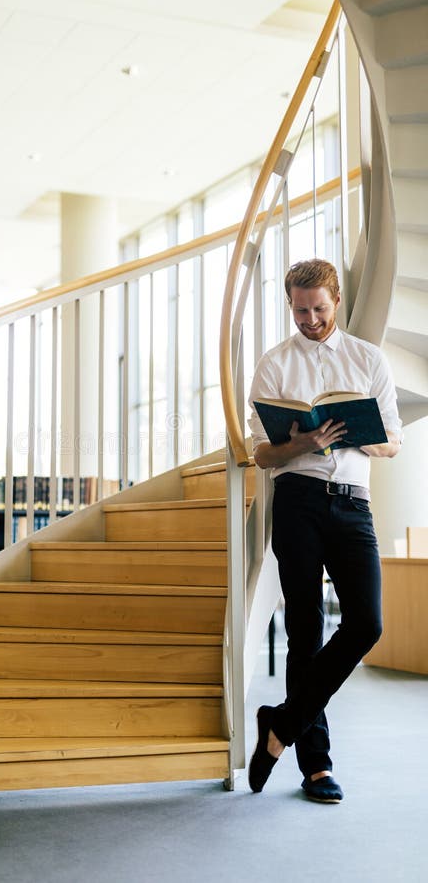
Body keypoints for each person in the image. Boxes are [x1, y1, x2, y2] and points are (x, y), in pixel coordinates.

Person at [247, 258, 401, 804]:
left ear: (335, 300)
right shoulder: (274, 365)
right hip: (298, 501)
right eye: (299, 309)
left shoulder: (368, 358)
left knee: (366, 622)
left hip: (352, 504)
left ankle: (279, 725)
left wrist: (355, 435)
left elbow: (393, 442)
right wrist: (304, 445)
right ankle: (316, 767)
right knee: (306, 633)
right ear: (289, 304)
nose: (309, 319)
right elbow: (262, 454)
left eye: (318, 308)